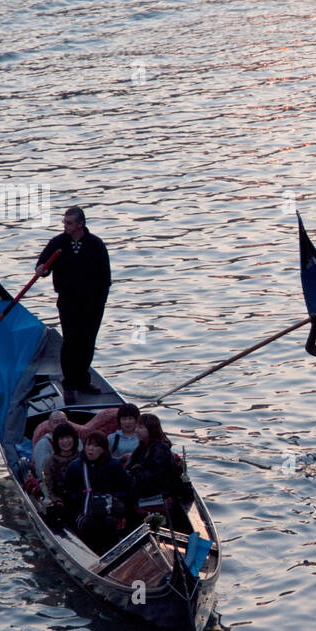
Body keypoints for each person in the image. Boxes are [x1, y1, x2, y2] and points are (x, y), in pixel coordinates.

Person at [37, 206, 111, 396]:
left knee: (87, 342)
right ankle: (69, 382)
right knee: (71, 341)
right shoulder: (58, 243)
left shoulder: (96, 244)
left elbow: (105, 278)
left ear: (80, 224)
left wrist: (99, 302)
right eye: (64, 222)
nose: (65, 226)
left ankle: (82, 381)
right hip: (68, 302)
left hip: (92, 304)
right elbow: (43, 263)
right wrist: (41, 269)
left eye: (69, 223)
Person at [63, 431, 134, 553]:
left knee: (109, 524)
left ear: (103, 449)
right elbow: (69, 495)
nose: (91, 449)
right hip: (84, 516)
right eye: (88, 445)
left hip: (110, 515)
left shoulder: (114, 466)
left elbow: (125, 490)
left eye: (96, 446)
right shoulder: (75, 467)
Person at [128, 413, 190, 532]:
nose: (136, 430)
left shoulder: (160, 450)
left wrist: (136, 471)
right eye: (136, 427)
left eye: (140, 427)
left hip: (158, 496)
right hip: (144, 492)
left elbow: (155, 478)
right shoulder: (142, 448)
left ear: (150, 430)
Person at [44, 422, 82, 512]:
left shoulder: (83, 458)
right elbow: (49, 489)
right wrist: (57, 501)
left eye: (68, 437)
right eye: (61, 438)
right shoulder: (50, 462)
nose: (65, 441)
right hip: (61, 505)